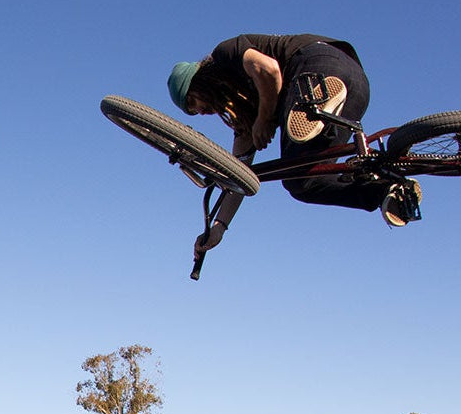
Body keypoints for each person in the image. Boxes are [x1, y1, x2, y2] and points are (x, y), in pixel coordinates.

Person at [167, 34, 421, 255]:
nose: (199, 111)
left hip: (318, 62)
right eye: (192, 112)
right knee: (302, 183)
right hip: (358, 88)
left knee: (297, 129)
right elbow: (239, 177)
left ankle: (316, 103)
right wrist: (219, 228)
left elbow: (269, 70)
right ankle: (386, 189)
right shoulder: (246, 121)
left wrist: (265, 119)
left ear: (199, 81)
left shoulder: (225, 54)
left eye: (192, 102)